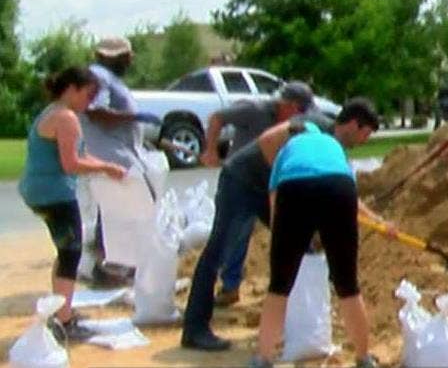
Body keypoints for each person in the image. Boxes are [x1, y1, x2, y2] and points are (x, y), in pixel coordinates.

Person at [181, 83, 316, 351]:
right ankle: (194, 329)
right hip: (239, 183)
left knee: (301, 242)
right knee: (217, 252)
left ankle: (303, 319)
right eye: (300, 111)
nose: (301, 117)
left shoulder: (292, 127)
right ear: (288, 105)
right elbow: (217, 118)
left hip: (267, 186)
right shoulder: (254, 109)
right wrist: (209, 150)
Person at [251, 98, 381, 368]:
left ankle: (262, 359)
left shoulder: (288, 151)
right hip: (339, 188)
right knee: (347, 285)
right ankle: (364, 357)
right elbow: (350, 198)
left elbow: (276, 201)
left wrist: (281, 242)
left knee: (279, 288)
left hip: (294, 189)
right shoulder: (334, 148)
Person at [18, 67, 127, 341]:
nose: (90, 102)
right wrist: (105, 167)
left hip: (40, 190)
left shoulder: (53, 112)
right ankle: (64, 320)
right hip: (53, 193)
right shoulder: (66, 118)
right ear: (72, 89)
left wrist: (104, 165)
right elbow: (72, 164)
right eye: (88, 95)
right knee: (71, 254)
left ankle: (60, 311)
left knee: (65, 251)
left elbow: (78, 152)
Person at [79, 37, 161, 285]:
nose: (130, 62)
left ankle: (111, 266)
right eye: (127, 58)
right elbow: (96, 112)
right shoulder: (100, 77)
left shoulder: (103, 77)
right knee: (126, 208)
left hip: (116, 153)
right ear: (116, 57)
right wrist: (134, 116)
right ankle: (109, 268)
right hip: (109, 156)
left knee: (115, 211)